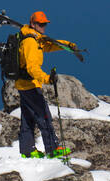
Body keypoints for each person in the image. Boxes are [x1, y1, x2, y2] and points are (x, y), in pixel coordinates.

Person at [16, 11, 76, 159]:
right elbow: (32, 68)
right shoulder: (30, 41)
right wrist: (47, 79)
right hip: (30, 84)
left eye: (44, 24)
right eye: (40, 24)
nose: (43, 27)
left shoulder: (35, 39)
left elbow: (48, 45)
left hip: (24, 84)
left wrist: (66, 45)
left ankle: (27, 151)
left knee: (28, 117)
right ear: (33, 24)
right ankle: (52, 149)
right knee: (44, 115)